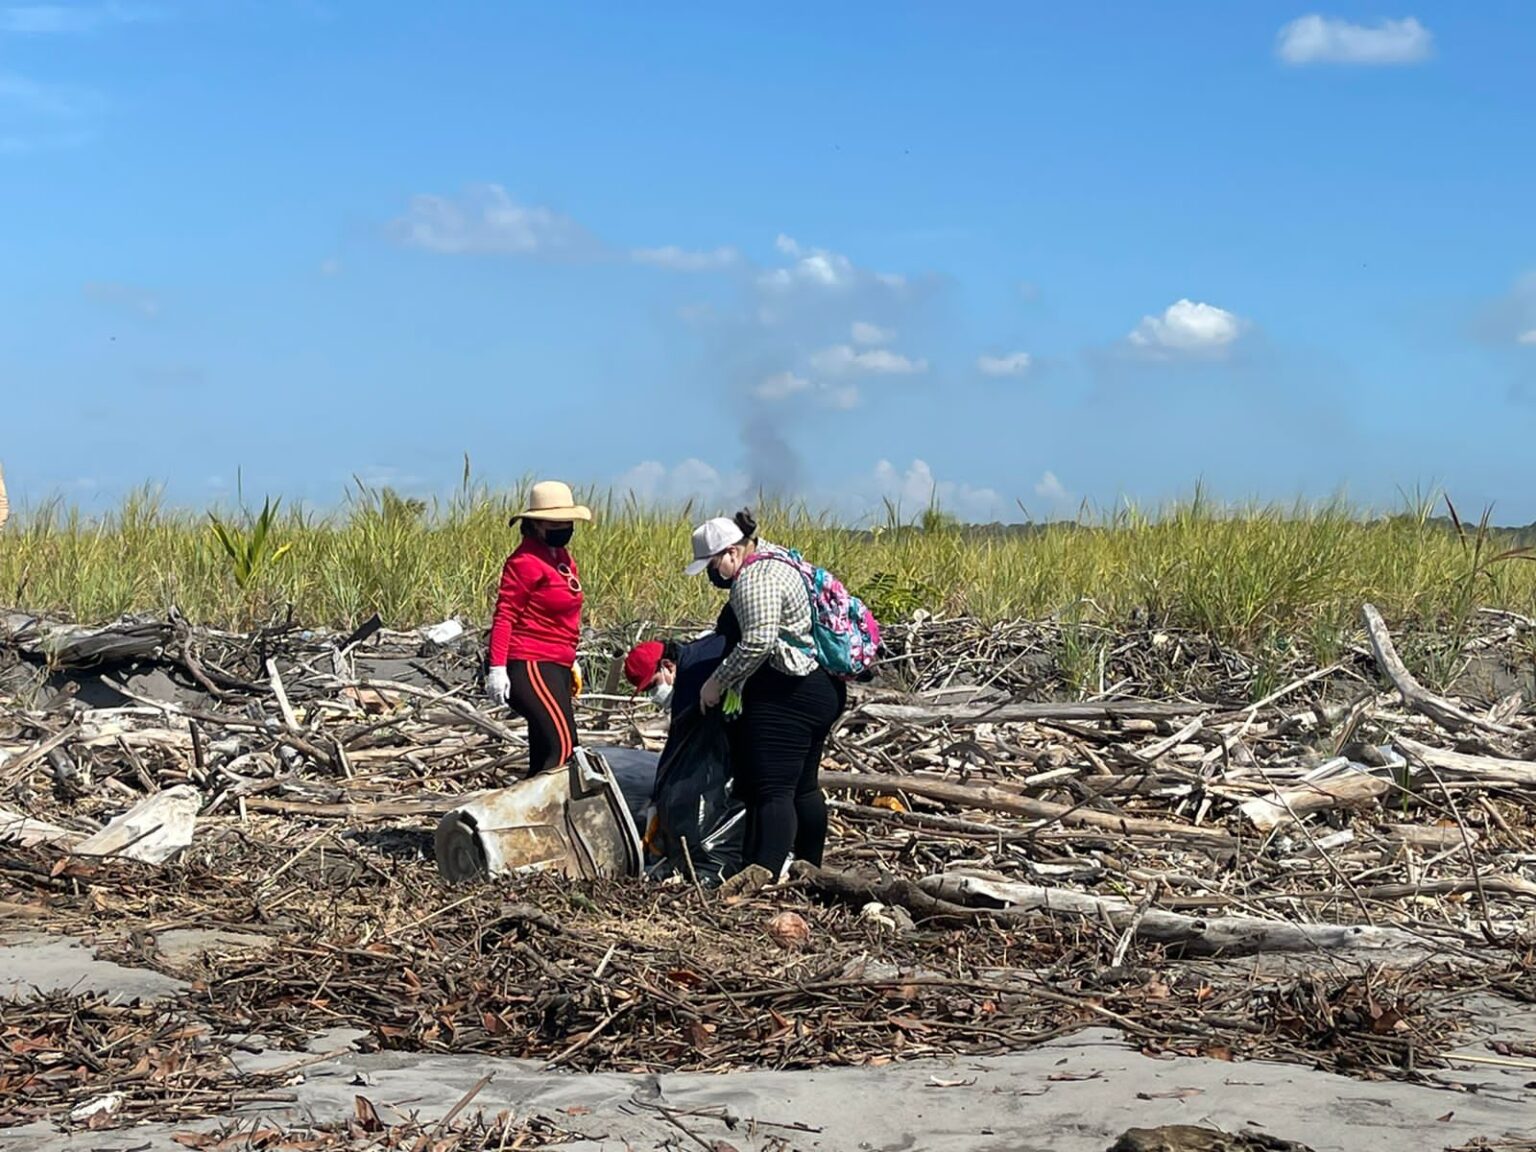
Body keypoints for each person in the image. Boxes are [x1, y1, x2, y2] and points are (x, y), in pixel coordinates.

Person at [684, 509, 847, 879]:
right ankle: (810, 871)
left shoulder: (754, 578)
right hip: (821, 687)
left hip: (789, 688)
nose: (712, 574)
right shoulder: (780, 558)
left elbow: (758, 642)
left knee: (772, 789)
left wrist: (717, 682)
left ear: (731, 552)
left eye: (712, 565)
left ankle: (762, 874)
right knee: (803, 788)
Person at [485, 480, 591, 777]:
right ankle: (551, 811)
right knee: (564, 747)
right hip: (530, 661)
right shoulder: (524, 561)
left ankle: (532, 814)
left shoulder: (563, 559)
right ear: (536, 524)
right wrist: (497, 668)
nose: (564, 528)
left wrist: (572, 658)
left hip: (556, 662)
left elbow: (565, 615)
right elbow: (505, 615)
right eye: (556, 522)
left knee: (547, 748)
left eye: (567, 521)